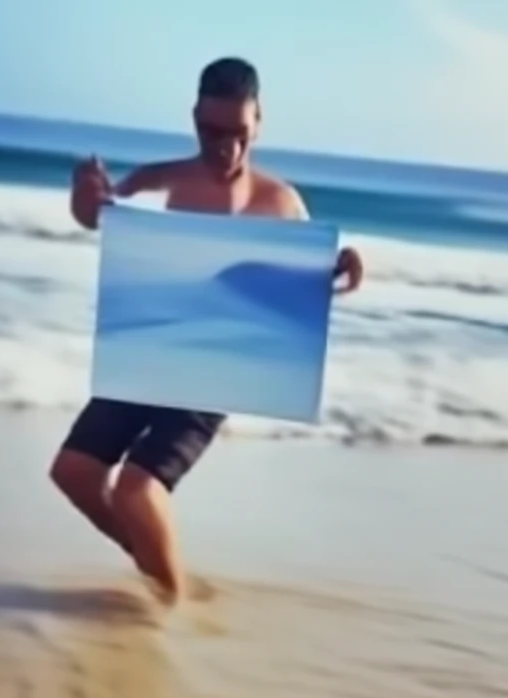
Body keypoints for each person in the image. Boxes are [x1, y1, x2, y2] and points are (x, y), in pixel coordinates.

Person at [50, 56, 364, 605]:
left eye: (238, 133)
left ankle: (167, 609)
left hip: (216, 366)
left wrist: (345, 266)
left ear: (259, 121)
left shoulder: (281, 203)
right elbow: (99, 216)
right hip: (149, 349)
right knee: (74, 472)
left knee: (137, 488)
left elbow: (302, 284)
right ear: (194, 117)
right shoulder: (159, 182)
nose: (225, 147)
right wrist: (85, 194)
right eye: (211, 131)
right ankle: (162, 571)